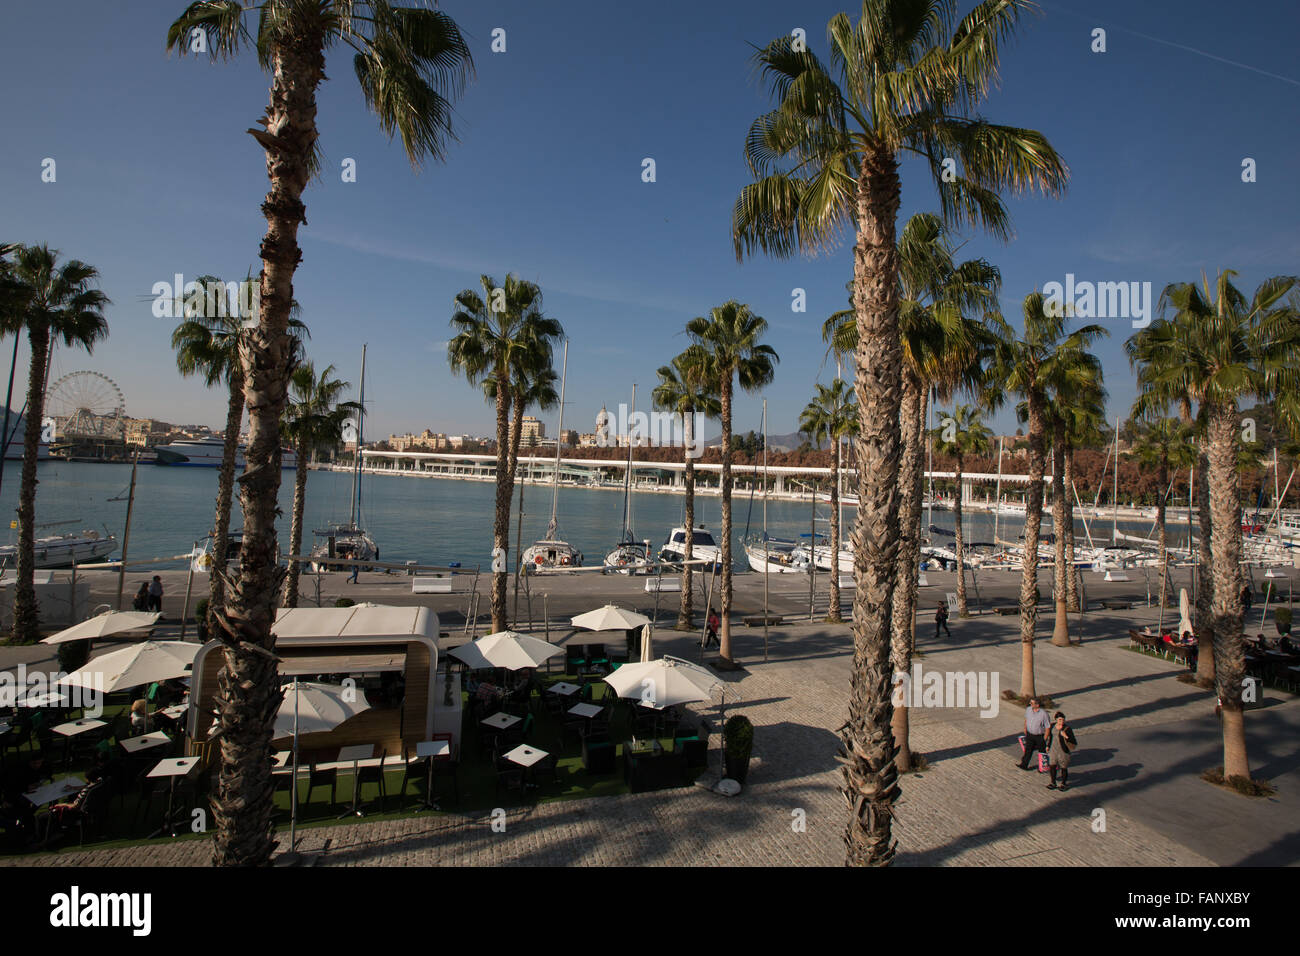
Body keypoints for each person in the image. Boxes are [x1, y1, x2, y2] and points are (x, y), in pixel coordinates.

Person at [1046, 711, 1077, 791]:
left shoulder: (1067, 729)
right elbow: (1051, 737)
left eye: (1063, 720)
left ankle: (1063, 783)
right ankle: (1053, 782)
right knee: (1052, 766)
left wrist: (1066, 736)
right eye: (1060, 719)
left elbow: (1073, 741)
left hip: (1063, 751)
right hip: (1053, 749)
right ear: (1056, 719)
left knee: (1063, 767)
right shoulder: (1053, 726)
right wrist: (1048, 746)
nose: (1062, 721)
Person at [1017, 697, 1051, 771]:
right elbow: (1026, 719)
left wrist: (1045, 738)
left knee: (1042, 752)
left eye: (1032, 703)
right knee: (1028, 750)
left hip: (1039, 736)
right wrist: (1025, 728)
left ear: (1037, 705)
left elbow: (1047, 727)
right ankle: (1024, 765)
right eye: (1030, 702)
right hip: (1030, 734)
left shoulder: (1044, 714)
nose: (1030, 704)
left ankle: (1043, 767)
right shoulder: (1028, 709)